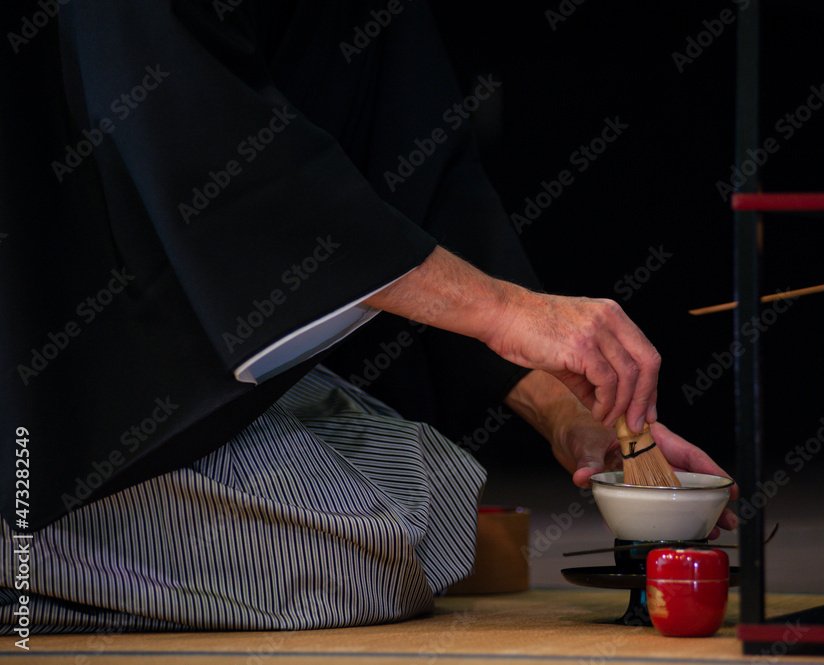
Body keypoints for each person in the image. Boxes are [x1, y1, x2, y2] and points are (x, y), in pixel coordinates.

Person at [0, 0, 736, 632]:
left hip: (188, 364)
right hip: (61, 371)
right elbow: (198, 137)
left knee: (437, 500)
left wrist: (573, 412)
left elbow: (421, 179)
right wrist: (504, 308)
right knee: (366, 558)